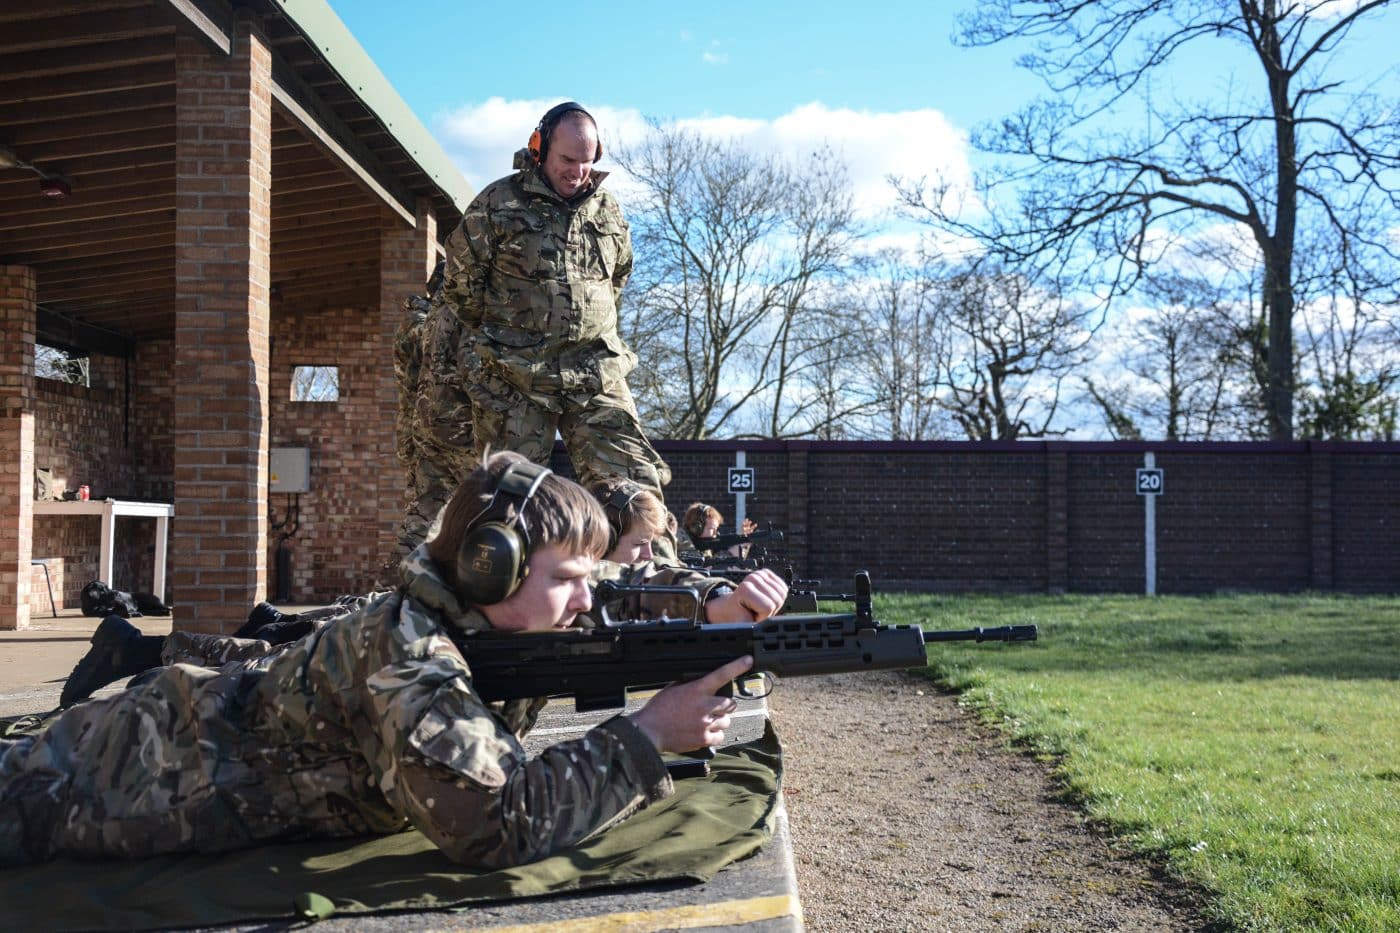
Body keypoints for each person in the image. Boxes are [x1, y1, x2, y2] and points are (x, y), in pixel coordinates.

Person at [1, 452, 751, 868]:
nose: (586, 600)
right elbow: (496, 824)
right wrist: (647, 735)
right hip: (112, 773)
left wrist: (715, 600)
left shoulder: (481, 610)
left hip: (179, 728)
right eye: (566, 580)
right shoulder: (411, 654)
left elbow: (611, 584)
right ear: (490, 567)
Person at [438, 101, 674, 554]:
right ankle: (508, 590)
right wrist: (511, 338)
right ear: (540, 148)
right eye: (567, 159)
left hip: (595, 371)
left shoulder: (607, 210)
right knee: (507, 499)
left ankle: (654, 584)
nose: (577, 172)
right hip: (515, 375)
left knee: (636, 488)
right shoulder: (497, 204)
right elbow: (462, 286)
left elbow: (618, 277)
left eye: (587, 161)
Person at [382, 259, 476, 583]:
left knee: (426, 512)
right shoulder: (423, 324)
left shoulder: (420, 320)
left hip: (421, 428)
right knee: (435, 510)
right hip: (437, 430)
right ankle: (397, 586)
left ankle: (395, 586)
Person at [592, 479, 787, 625]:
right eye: (639, 543)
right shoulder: (583, 588)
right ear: (604, 542)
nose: (648, 554)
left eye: (650, 543)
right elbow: (646, 585)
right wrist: (714, 602)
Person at [679, 502, 758, 560]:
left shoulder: (704, 546)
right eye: (711, 528)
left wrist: (742, 543)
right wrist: (732, 552)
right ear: (696, 528)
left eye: (716, 529)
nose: (716, 533)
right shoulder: (681, 540)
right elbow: (704, 566)